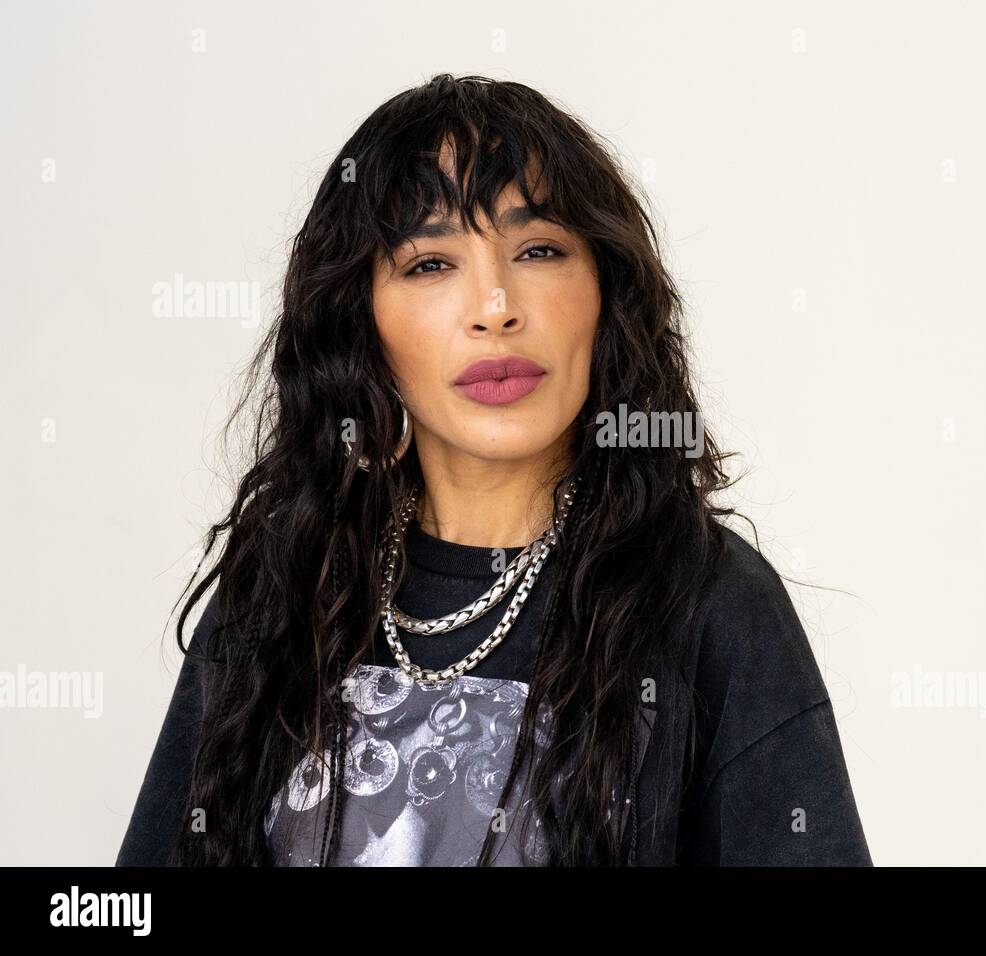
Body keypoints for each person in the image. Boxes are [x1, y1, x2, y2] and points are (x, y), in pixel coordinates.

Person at [115, 73, 872, 867]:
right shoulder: (281, 586)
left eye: (539, 250)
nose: (496, 305)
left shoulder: (709, 602)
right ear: (361, 323)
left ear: (604, 294)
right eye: (430, 264)